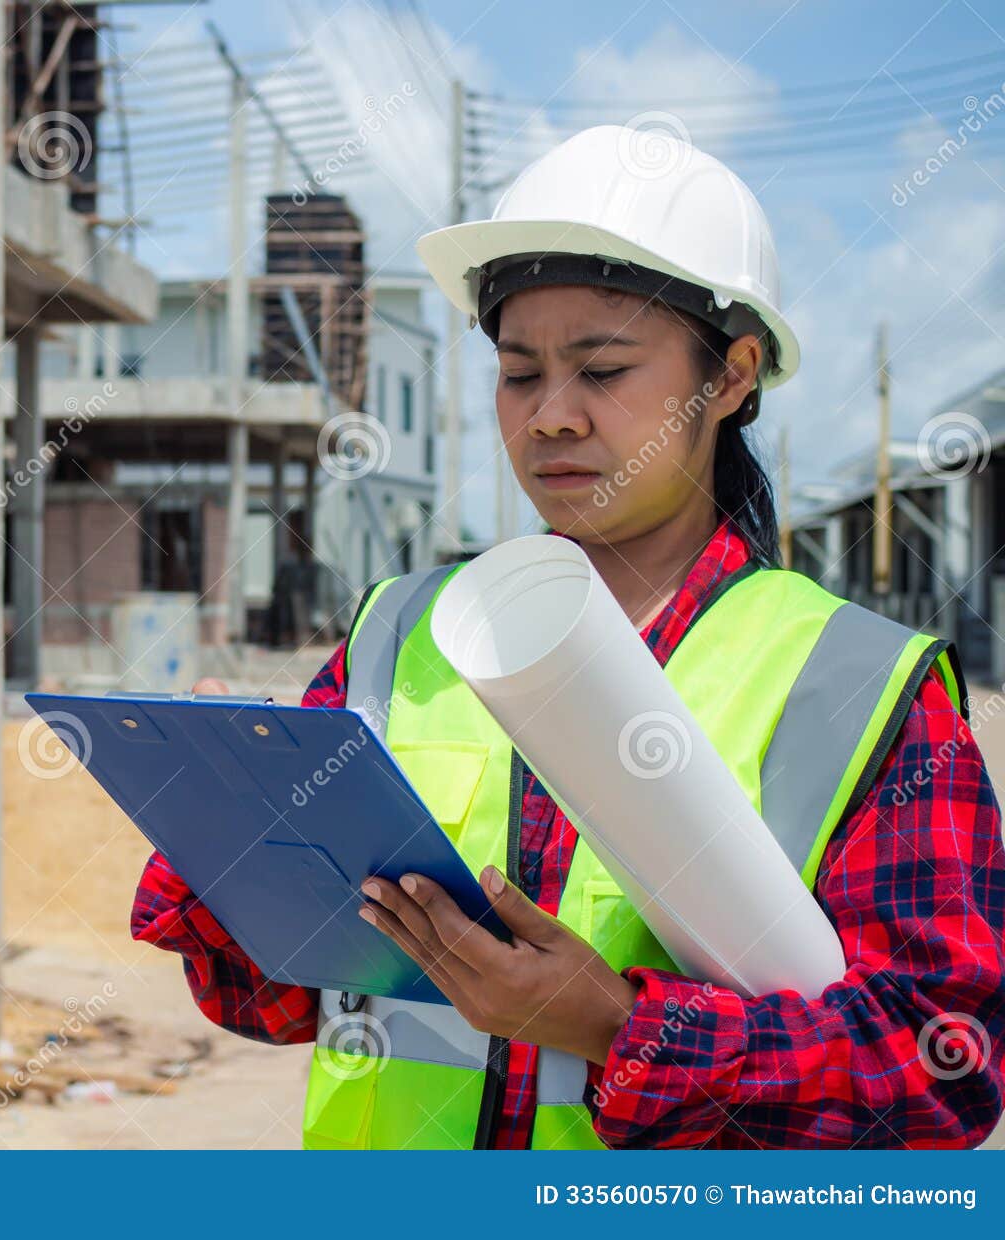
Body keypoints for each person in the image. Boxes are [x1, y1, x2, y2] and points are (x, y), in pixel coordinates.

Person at [131, 125, 1005, 1149]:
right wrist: (226, 849)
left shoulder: (857, 686)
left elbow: (938, 1068)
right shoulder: (394, 633)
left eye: (602, 370)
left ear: (729, 377)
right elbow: (271, 1000)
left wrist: (617, 1029)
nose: (549, 416)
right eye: (517, 373)